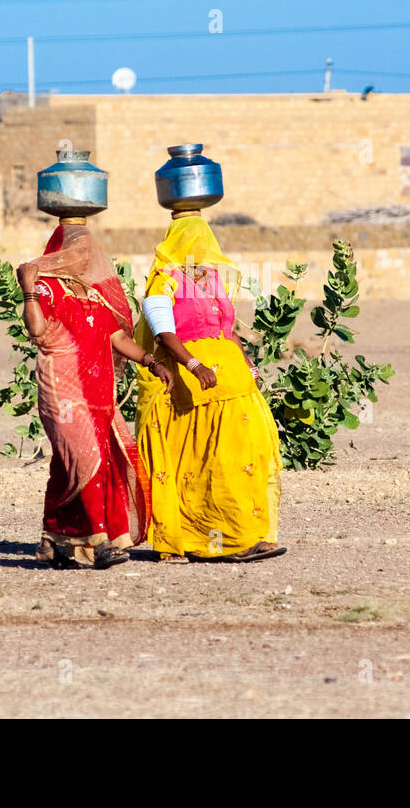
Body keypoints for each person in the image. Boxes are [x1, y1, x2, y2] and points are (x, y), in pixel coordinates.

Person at [17, 222, 174, 569]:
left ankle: (53, 539)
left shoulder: (95, 295)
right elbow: (38, 332)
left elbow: (117, 338)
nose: (86, 257)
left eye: (90, 251)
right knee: (88, 460)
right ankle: (99, 543)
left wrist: (151, 362)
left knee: (69, 465)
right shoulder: (47, 289)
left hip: (98, 390)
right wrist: (28, 290)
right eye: (78, 250)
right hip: (63, 389)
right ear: (60, 254)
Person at [133, 214, 286, 563]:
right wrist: (193, 364)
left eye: (206, 242)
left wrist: (245, 360)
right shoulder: (165, 280)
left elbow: (227, 329)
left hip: (232, 384)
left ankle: (246, 534)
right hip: (192, 388)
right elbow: (162, 330)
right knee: (204, 463)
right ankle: (202, 540)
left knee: (246, 456)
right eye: (194, 243)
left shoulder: (214, 280)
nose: (202, 250)